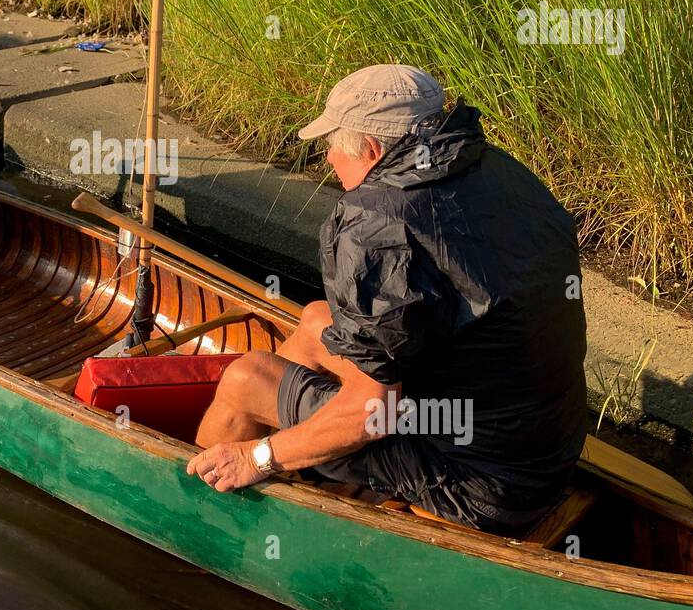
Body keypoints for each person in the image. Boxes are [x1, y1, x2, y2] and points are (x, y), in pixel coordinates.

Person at [186, 64, 588, 536]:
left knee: (245, 378)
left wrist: (257, 458)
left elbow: (371, 413)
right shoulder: (496, 169)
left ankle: (203, 511)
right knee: (319, 318)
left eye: (334, 144)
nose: (330, 158)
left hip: (478, 486)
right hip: (545, 446)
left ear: (373, 150)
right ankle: (303, 459)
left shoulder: (374, 224)